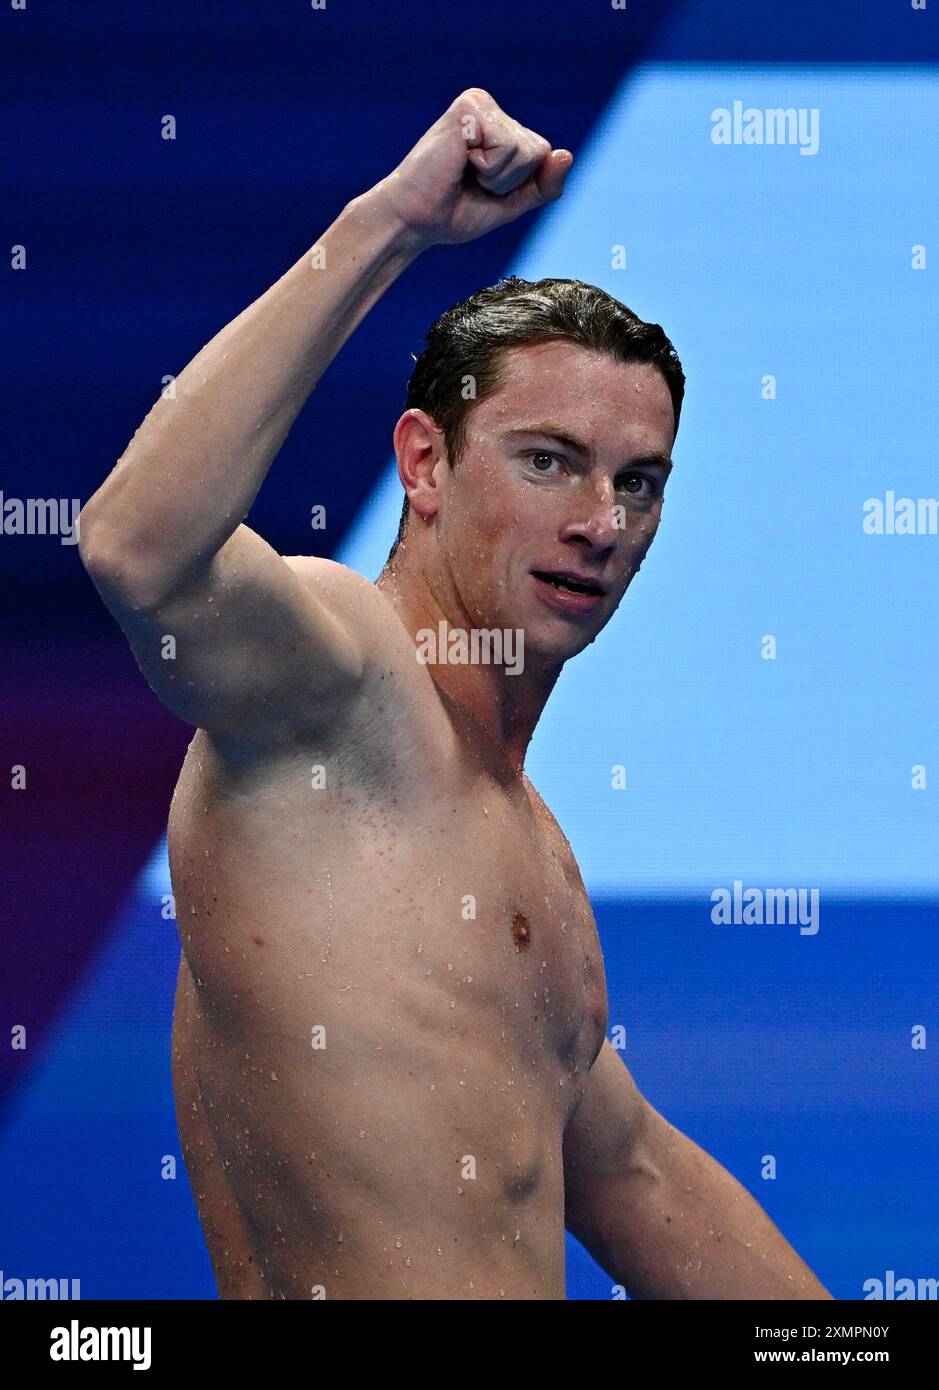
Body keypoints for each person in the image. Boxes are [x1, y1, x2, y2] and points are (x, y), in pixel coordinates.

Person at [79, 88, 831, 1301]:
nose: (602, 522)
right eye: (550, 462)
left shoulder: (520, 839)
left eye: (640, 483)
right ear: (423, 463)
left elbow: (634, 1173)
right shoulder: (344, 688)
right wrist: (389, 223)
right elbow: (137, 549)